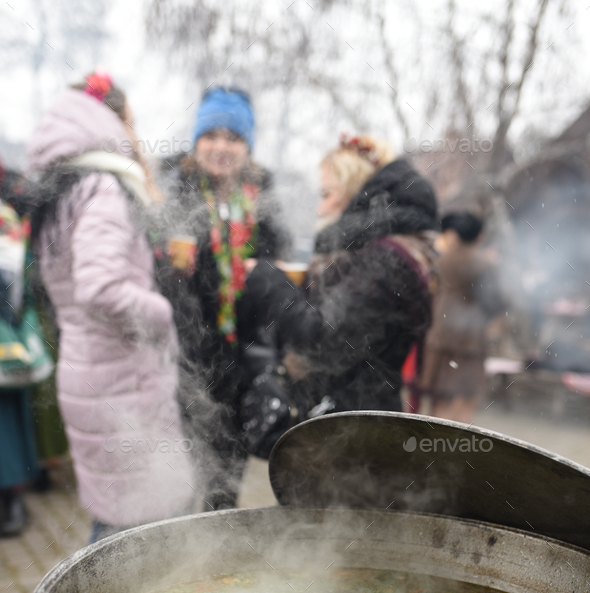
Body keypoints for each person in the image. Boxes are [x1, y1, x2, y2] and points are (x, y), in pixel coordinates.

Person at [27, 72, 196, 543]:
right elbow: (100, 288)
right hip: (121, 380)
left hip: (91, 373)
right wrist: (160, 312)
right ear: (110, 120)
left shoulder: (63, 187)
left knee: (119, 517)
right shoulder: (101, 186)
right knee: (133, 532)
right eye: (130, 122)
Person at [162, 87, 291, 508]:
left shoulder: (263, 205)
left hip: (243, 362)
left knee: (224, 485)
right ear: (196, 143)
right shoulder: (172, 196)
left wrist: (266, 275)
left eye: (233, 138)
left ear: (247, 148)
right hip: (182, 361)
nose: (221, 147)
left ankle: (216, 562)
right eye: (211, 135)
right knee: (178, 482)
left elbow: (280, 283)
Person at [248, 134, 437, 418]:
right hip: (356, 416)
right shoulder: (381, 254)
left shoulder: (381, 261)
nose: (319, 209)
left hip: (356, 426)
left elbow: (324, 340)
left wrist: (271, 281)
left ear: (356, 194)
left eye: (327, 195)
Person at [420, 211, 503, 423]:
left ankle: (431, 440)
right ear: (480, 236)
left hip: (440, 336)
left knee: (438, 399)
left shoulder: (443, 259)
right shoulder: (483, 264)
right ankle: (452, 445)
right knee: (464, 399)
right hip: (469, 342)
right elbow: (493, 301)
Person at [0, 171, 39, 535]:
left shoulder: (5, 214)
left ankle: (12, 495)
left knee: (7, 418)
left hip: (3, 331)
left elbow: (13, 282)